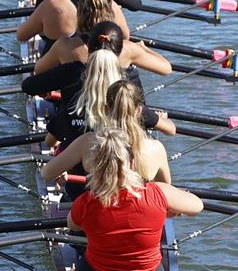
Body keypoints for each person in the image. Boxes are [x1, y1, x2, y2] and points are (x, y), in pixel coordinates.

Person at [64, 130, 202, 271]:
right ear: (132, 163)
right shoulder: (158, 193)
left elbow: (73, 225)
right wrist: (168, 211)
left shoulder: (85, 202)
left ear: (93, 165)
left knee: (81, 263)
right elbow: (197, 206)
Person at [22, 20, 169, 143]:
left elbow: (28, 86)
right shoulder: (128, 90)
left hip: (78, 158)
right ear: (119, 51)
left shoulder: (73, 74)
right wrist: (157, 119)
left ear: (89, 48)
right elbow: (171, 129)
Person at [43, 76, 175, 187]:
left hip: (100, 213)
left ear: (105, 109)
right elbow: (165, 189)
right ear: (139, 111)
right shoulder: (156, 148)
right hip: (139, 214)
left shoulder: (88, 142)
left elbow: (47, 173)